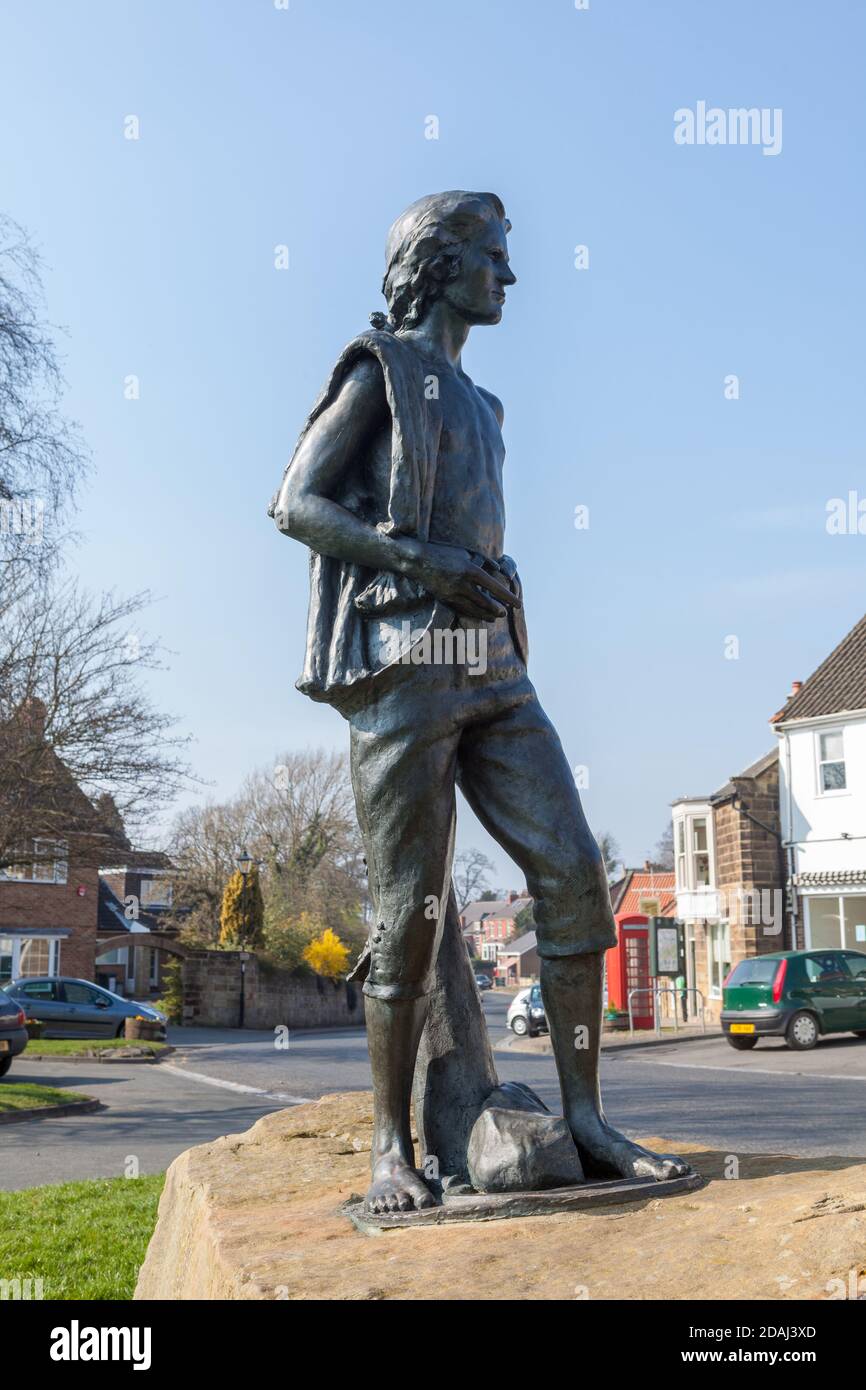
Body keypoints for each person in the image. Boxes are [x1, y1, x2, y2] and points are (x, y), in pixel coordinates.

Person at [270, 191, 688, 1214]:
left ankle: (585, 1117)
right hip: (407, 669)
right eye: (494, 257)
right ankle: (387, 1147)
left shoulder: (486, 406)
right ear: (438, 264)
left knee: (572, 874)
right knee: (405, 916)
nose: (509, 276)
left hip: (494, 667)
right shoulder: (381, 371)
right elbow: (296, 503)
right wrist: (425, 561)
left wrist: (488, 578)